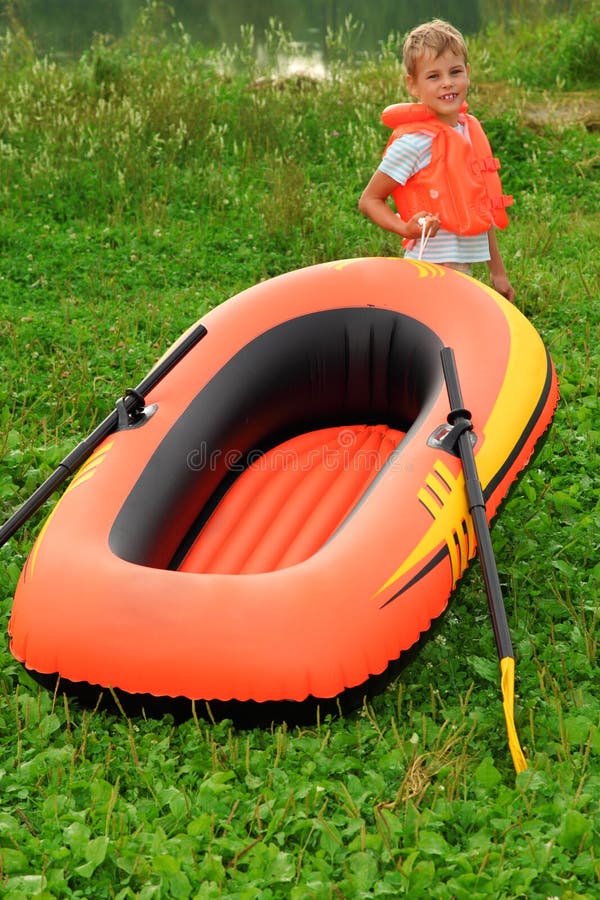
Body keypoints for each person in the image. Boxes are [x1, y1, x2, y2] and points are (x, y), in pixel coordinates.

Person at [358, 19, 515, 302]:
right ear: (413, 85)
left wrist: (498, 272)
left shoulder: (468, 130)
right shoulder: (415, 142)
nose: (447, 83)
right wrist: (404, 228)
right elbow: (369, 200)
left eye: (455, 72)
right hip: (429, 269)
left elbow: (480, 207)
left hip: (461, 270)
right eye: (433, 76)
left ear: (467, 74)